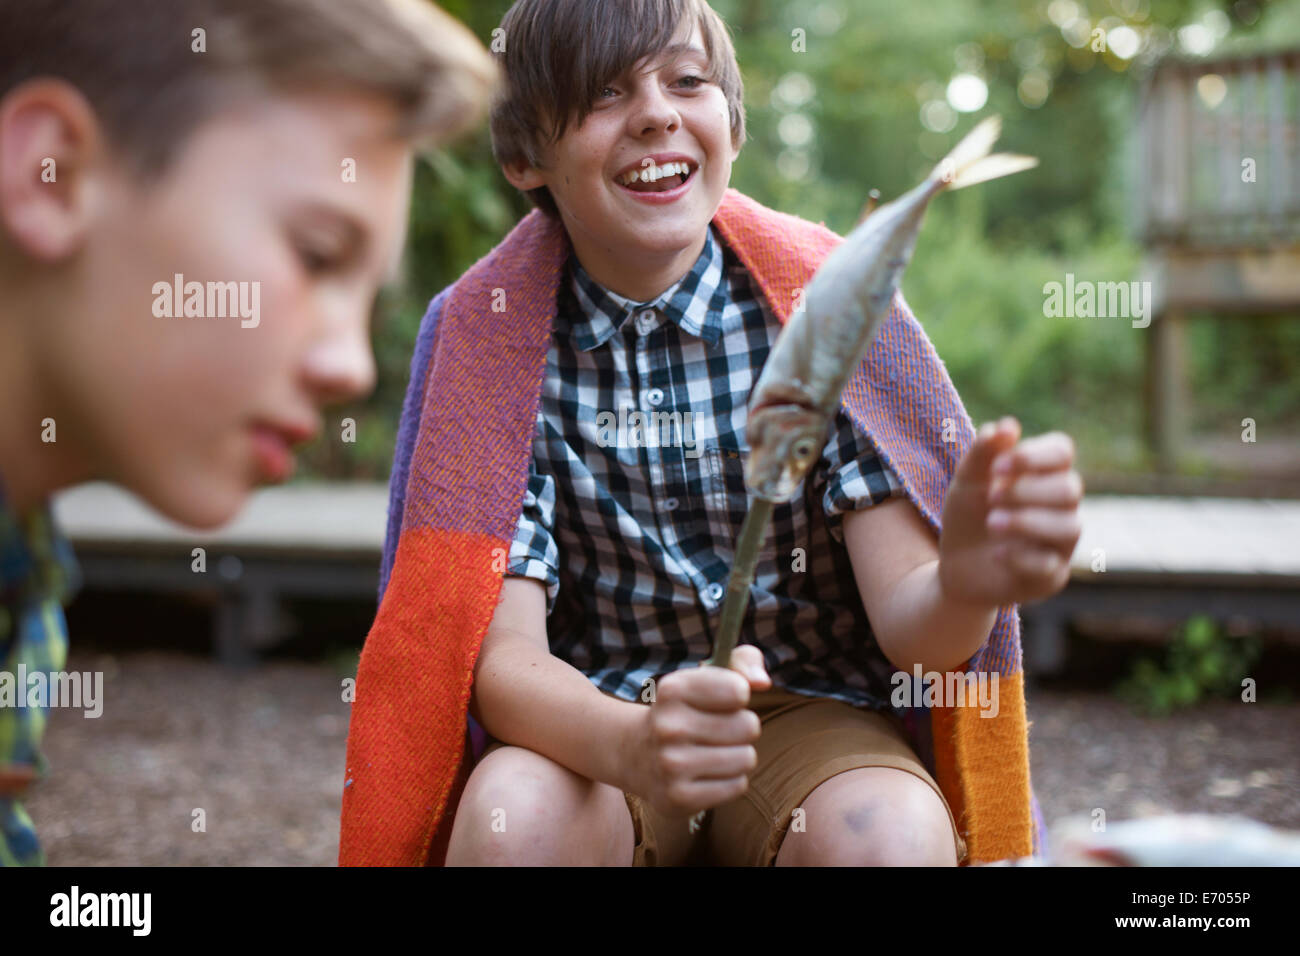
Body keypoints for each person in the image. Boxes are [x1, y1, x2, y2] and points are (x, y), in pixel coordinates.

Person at [340, 0, 1083, 866]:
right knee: (514, 819)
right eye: (605, 92)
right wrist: (634, 747)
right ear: (524, 156)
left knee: (891, 834)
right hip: (595, 726)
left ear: (731, 122)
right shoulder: (491, 341)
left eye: (686, 82)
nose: (656, 111)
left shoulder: (828, 305)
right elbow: (500, 659)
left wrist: (967, 580)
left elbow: (915, 629)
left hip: (813, 716)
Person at [0, 0, 496, 866]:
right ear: (50, 175)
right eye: (315, 254)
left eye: (366, 297)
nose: (352, 369)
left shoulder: (26, 568)